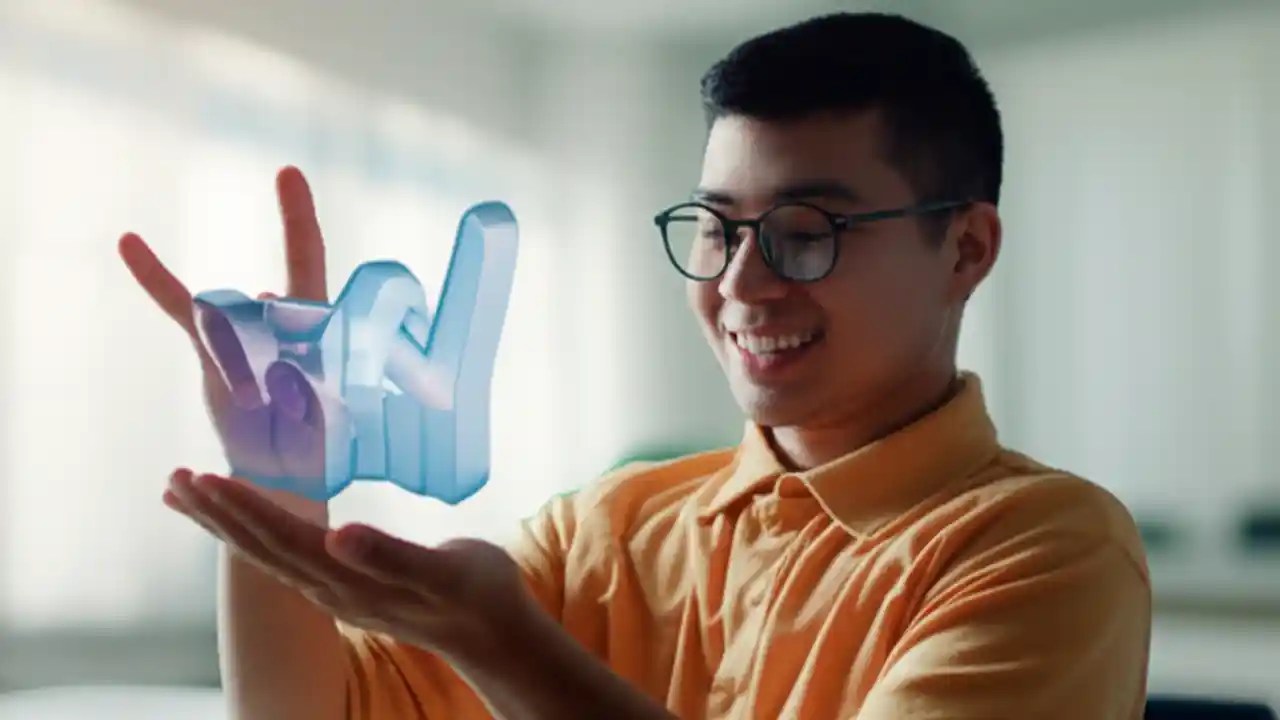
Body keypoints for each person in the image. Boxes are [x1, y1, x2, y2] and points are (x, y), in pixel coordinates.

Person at [118, 11, 1151, 720]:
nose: (741, 283)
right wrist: (282, 479)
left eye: (807, 232)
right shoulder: (609, 529)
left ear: (964, 249)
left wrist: (508, 650)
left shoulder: (1045, 550)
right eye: (716, 228)